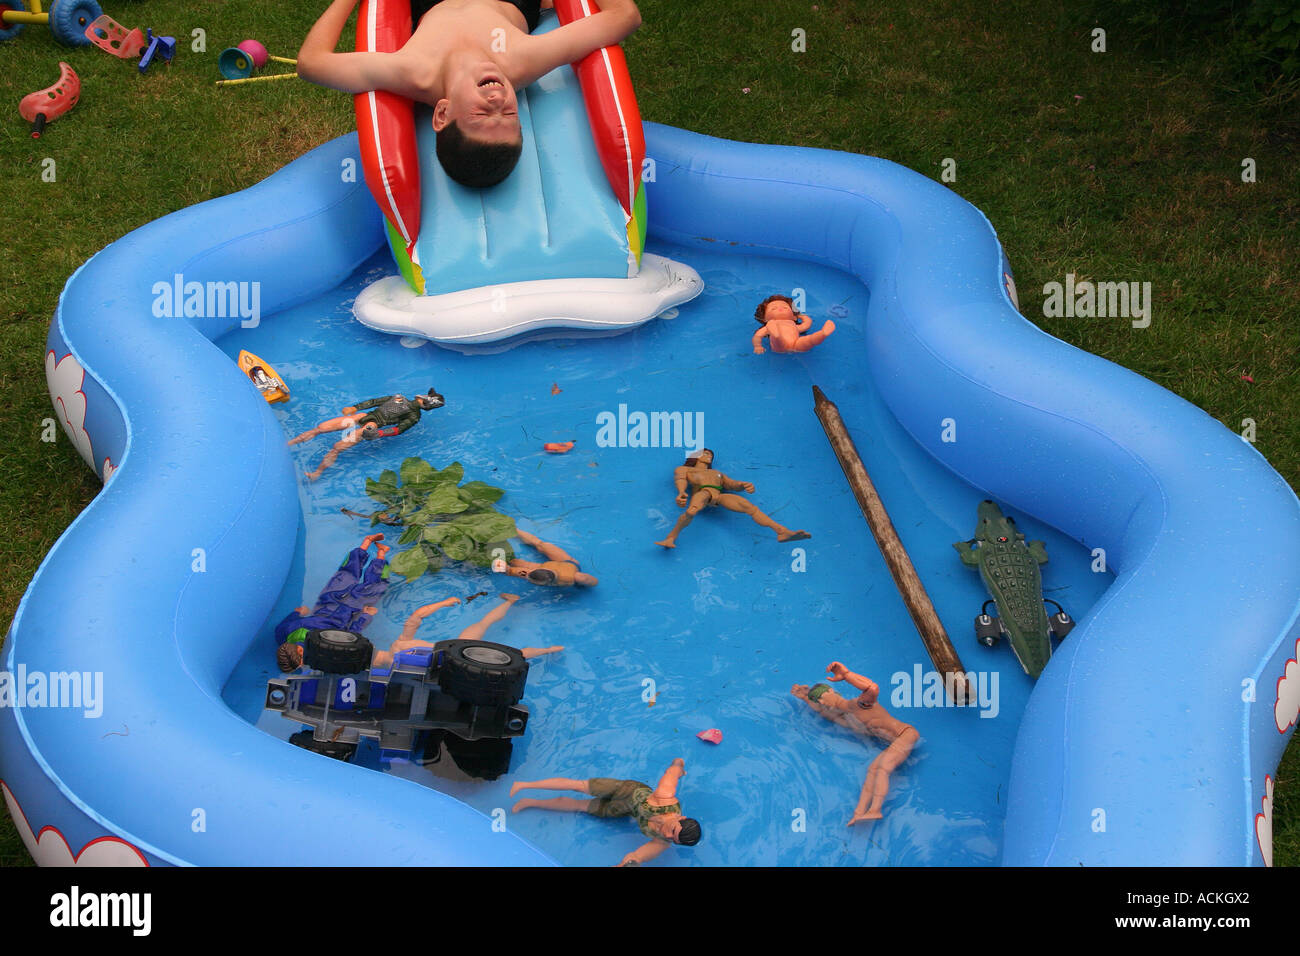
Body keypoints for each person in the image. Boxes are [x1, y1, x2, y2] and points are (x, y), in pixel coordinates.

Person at [298, 0, 643, 187]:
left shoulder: (415, 70)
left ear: (442, 114)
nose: (499, 102)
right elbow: (625, 16)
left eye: (481, 115)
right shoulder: (520, 61)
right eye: (510, 115)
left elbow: (311, 64)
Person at [791, 661, 919, 825]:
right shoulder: (847, 719)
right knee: (872, 770)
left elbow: (872, 688)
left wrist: (846, 675)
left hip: (906, 734)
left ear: (831, 691)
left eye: (822, 697)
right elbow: (826, 714)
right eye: (819, 701)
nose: (822, 702)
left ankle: (875, 810)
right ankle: (859, 813)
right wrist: (806, 698)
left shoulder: (858, 706)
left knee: (883, 769)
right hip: (896, 743)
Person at [510, 758, 702, 866]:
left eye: (672, 838)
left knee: (581, 806)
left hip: (624, 809)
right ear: (680, 817)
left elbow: (638, 856)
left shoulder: (662, 841)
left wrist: (624, 865)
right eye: (672, 830)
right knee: (580, 786)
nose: (667, 834)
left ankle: (530, 802)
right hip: (628, 790)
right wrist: (679, 765)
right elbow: (672, 774)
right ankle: (525, 784)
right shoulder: (665, 797)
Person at [275, 533, 393, 671]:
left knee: (375, 587)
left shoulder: (321, 645)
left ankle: (381, 553)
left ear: (301, 653)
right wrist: (298, 612)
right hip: (328, 600)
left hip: (350, 610)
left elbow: (351, 634)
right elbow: (283, 624)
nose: (302, 665)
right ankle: (367, 542)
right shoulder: (283, 634)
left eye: (300, 663)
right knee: (346, 573)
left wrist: (366, 616)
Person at [655, 448, 811, 549]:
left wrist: (743, 485)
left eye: (711, 455)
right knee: (691, 511)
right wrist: (681, 493)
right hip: (702, 493)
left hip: (719, 496)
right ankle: (671, 537)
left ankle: (782, 532)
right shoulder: (684, 469)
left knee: (748, 507)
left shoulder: (717, 473)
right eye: (706, 453)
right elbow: (680, 479)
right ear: (696, 456)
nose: (709, 456)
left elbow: (730, 484)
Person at [370, 592, 562, 668]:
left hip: (460, 662)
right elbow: (417, 616)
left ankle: (549, 650)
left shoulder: (397, 671)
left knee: (513, 656)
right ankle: (512, 601)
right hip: (458, 646)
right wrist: (444, 602)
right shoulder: (399, 644)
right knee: (484, 623)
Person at [287, 387, 445, 481]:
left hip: (372, 425)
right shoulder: (399, 398)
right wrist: (355, 408)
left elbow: (398, 429)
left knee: (337, 447)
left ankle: (317, 473)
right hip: (363, 417)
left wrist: (379, 433)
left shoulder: (414, 416)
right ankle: (288, 444)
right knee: (321, 427)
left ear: (425, 401)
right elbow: (375, 402)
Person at [497, 527, 598, 587]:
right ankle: (512, 529)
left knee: (515, 562)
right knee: (541, 545)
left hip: (566, 567)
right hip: (565, 562)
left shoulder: (570, 577)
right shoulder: (534, 572)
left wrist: (505, 568)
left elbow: (594, 582)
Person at [751, 294, 835, 354]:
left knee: (807, 341)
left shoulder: (793, 324)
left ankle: (822, 334)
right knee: (778, 341)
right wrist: (757, 346)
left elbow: (806, 325)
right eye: (773, 309)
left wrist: (801, 316)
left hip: (795, 344)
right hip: (778, 347)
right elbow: (758, 336)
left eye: (785, 307)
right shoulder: (771, 324)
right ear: (765, 319)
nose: (780, 308)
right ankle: (776, 336)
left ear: (794, 316)